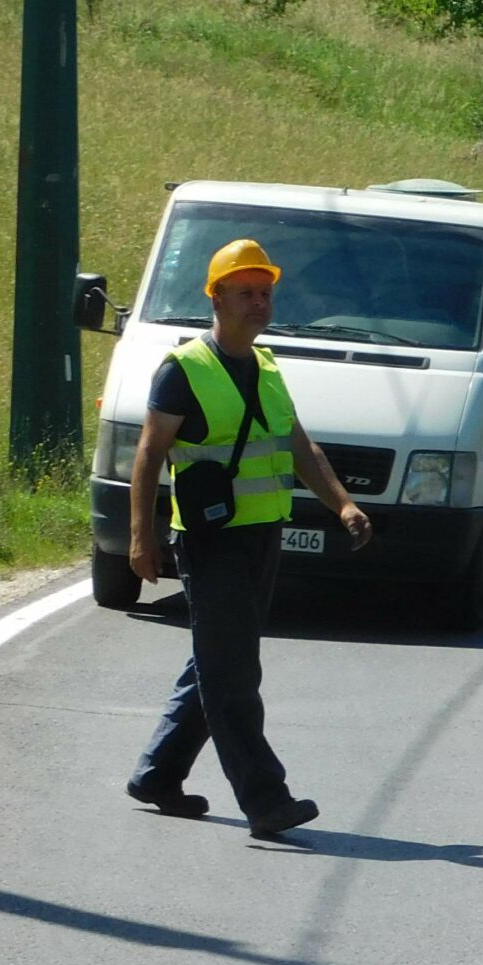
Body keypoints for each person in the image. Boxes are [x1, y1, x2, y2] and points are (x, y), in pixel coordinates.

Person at [126, 238, 372, 839]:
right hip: (210, 542)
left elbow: (298, 446)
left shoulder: (265, 367)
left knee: (216, 660)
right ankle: (266, 800)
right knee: (233, 673)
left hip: (262, 536)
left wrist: (341, 504)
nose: (259, 304)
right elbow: (149, 452)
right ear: (216, 297)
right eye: (245, 293)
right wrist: (141, 537)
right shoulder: (183, 370)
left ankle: (158, 774)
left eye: (265, 293)